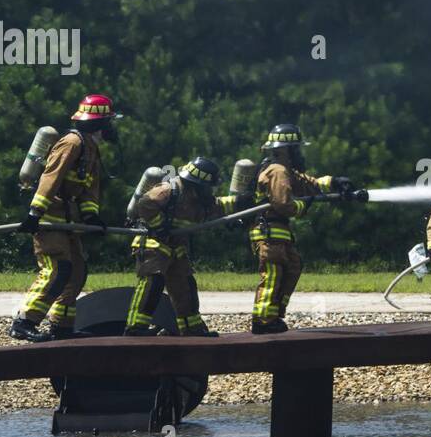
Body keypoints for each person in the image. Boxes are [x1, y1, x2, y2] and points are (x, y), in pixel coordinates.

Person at [10, 94, 119, 342]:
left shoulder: (90, 148)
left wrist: (91, 215)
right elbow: (51, 177)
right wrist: (35, 212)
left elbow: (89, 187)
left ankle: (61, 326)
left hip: (67, 220)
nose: (112, 128)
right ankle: (24, 321)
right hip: (50, 217)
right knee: (58, 268)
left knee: (77, 271)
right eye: (109, 122)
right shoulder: (71, 143)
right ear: (100, 123)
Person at [123, 157, 253, 337]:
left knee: (186, 287)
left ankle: (191, 329)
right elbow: (144, 203)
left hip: (177, 249)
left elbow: (217, 206)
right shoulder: (169, 190)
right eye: (209, 186)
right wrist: (160, 225)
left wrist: (240, 202)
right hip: (154, 244)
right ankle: (135, 328)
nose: (210, 191)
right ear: (199, 184)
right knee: (153, 282)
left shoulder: (199, 199)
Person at [248, 124, 355, 333]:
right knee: (273, 275)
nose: (299, 153)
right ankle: (262, 321)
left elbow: (310, 185)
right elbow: (283, 204)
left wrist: (335, 182)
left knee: (293, 266)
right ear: (284, 150)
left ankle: (274, 314)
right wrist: (303, 206)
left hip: (278, 233)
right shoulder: (277, 171)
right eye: (295, 148)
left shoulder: (286, 171)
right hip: (268, 232)